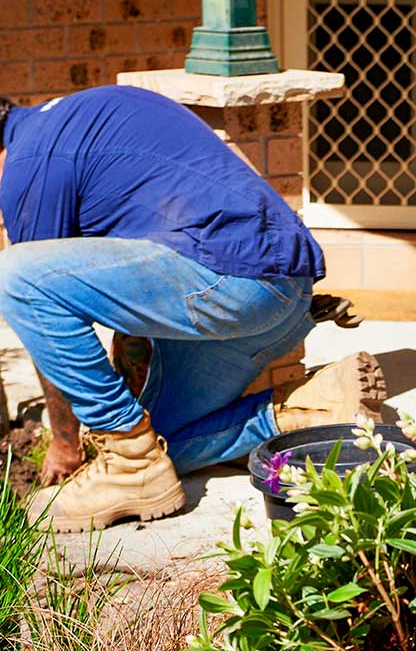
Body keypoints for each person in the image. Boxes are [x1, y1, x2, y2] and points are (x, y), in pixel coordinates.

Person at [0, 85, 384, 531]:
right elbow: (130, 292)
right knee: (163, 442)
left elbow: (39, 307)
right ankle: (306, 406)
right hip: (282, 293)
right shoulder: (87, 114)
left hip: (230, 285)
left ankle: (129, 464)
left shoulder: (29, 164)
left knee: (14, 275)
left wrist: (66, 445)